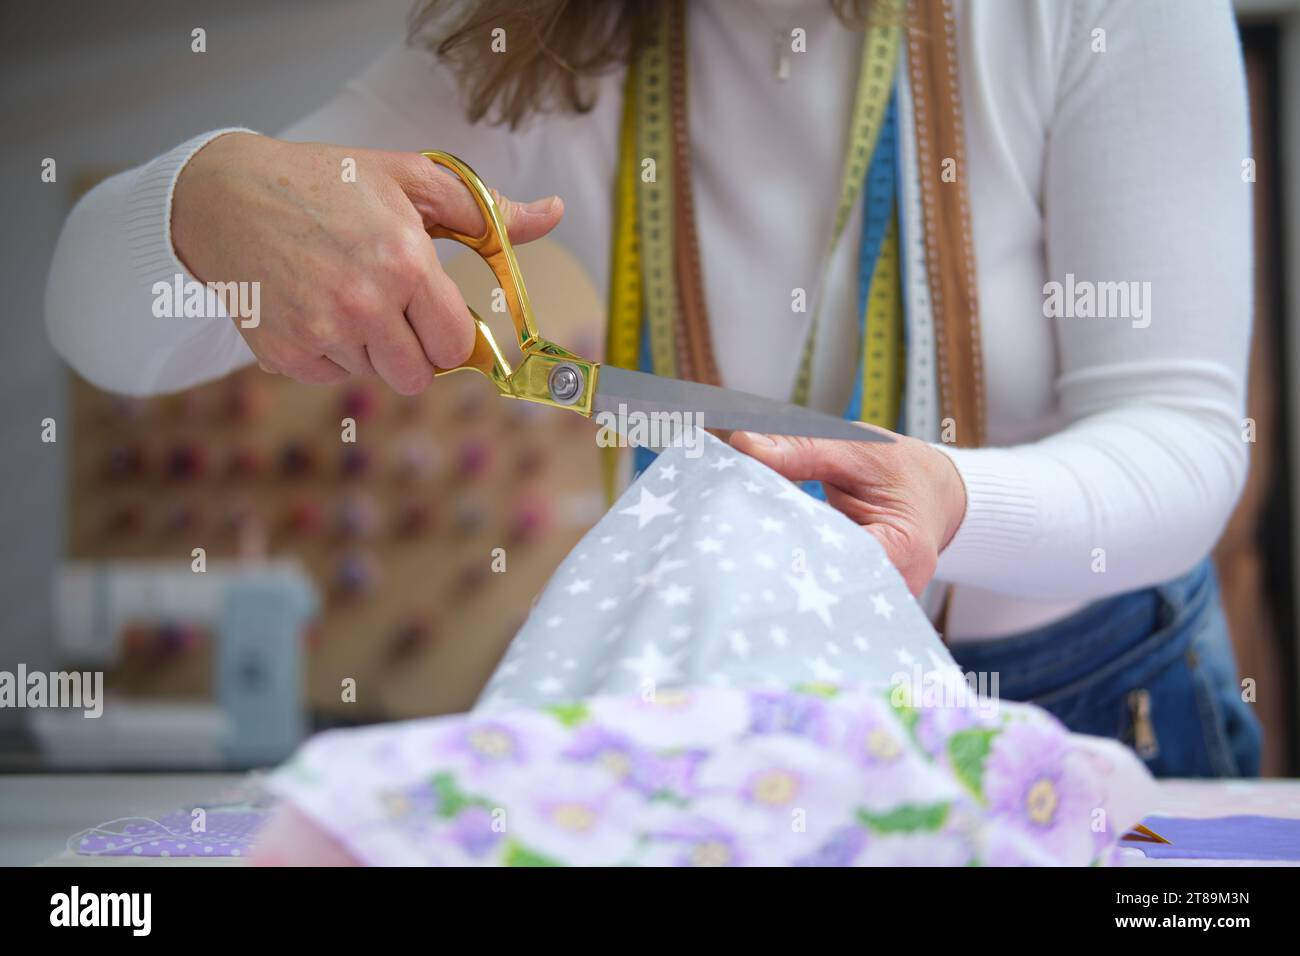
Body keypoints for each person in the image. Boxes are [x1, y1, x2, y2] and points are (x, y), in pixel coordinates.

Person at [44, 0, 1260, 776]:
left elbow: (1188, 440)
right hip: (732, 741)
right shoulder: (539, 40)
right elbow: (96, 319)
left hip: (1093, 715)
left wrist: (951, 497)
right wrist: (208, 199)